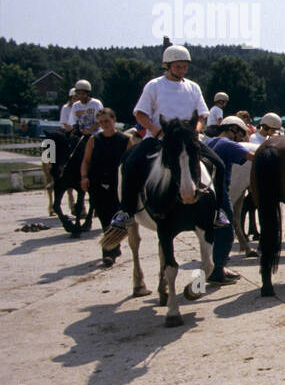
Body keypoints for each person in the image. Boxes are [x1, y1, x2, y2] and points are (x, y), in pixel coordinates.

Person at [102, 43, 229, 247]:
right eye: (178, 66)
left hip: (188, 140)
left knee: (219, 165)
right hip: (160, 138)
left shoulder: (193, 87)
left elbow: (201, 116)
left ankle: (217, 211)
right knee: (131, 162)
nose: (182, 70)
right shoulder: (154, 85)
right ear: (167, 66)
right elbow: (141, 114)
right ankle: (125, 211)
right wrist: (155, 130)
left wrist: (195, 130)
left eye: (185, 66)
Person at [203, 116, 252, 284]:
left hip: (206, 192)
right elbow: (253, 157)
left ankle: (215, 268)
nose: (241, 139)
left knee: (212, 232)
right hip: (221, 192)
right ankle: (217, 272)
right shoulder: (228, 144)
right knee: (226, 232)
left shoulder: (208, 142)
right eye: (241, 134)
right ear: (234, 129)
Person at [80, 107, 131, 266]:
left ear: (114, 120)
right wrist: (84, 177)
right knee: (104, 218)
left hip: (117, 185)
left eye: (107, 121)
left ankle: (112, 246)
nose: (104, 124)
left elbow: (130, 163)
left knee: (117, 218)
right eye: (101, 122)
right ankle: (109, 251)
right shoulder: (94, 140)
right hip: (97, 184)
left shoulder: (124, 140)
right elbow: (86, 161)